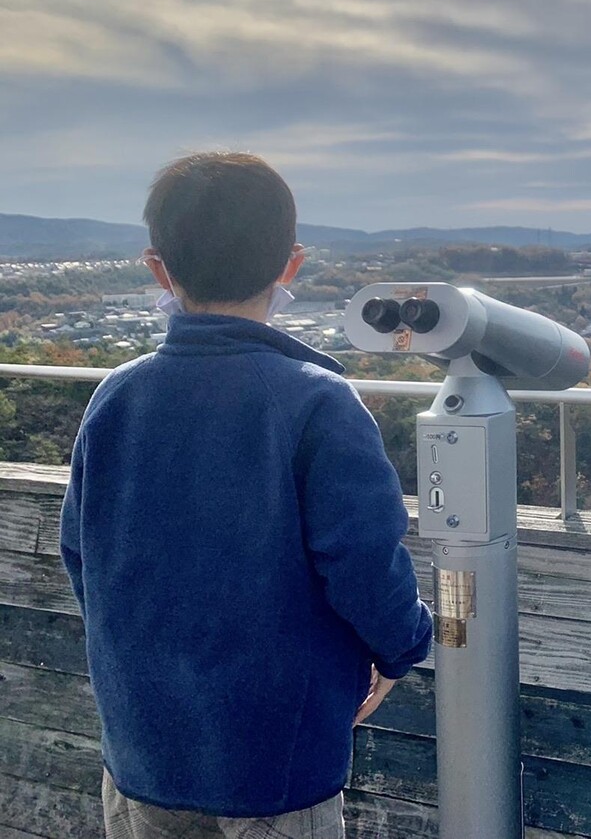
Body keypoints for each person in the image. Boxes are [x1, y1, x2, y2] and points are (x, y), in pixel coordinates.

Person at [60, 152, 433, 837]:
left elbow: (84, 555)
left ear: (157, 268)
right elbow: (365, 564)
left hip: (142, 752)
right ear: (291, 264)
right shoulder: (320, 403)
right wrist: (402, 647)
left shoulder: (115, 396)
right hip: (275, 767)